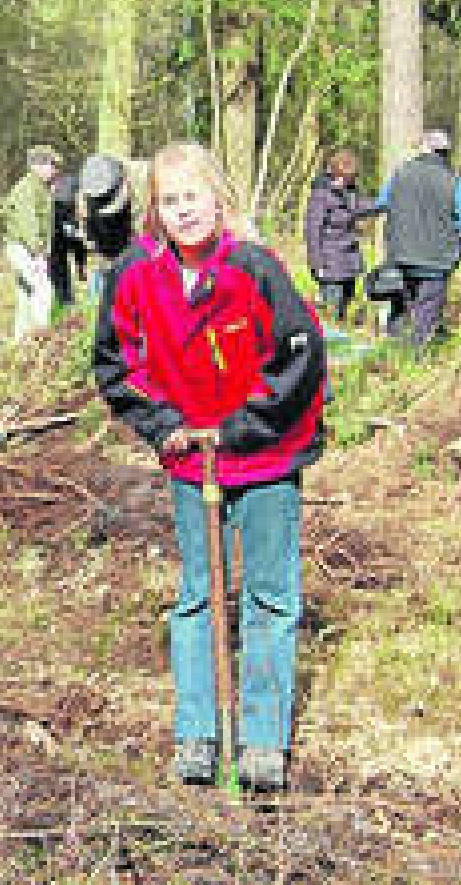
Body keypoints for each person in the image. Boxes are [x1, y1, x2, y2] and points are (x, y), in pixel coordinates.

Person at [92, 142, 327, 793]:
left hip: (266, 453)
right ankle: (197, 733)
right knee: (199, 594)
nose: (183, 211)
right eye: (170, 202)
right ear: (156, 212)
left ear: (217, 200)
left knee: (270, 597)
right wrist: (165, 427)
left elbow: (299, 361)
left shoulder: (255, 268)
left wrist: (242, 428)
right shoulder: (137, 273)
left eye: (193, 197)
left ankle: (262, 741)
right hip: (193, 460)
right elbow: (117, 366)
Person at [363, 129, 461, 349]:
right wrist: (456, 247)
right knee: (426, 314)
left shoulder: (400, 174)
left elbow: (380, 205)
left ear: (424, 148)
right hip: (437, 261)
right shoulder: (455, 182)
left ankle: (392, 355)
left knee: (399, 307)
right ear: (445, 152)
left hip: (400, 259)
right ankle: (416, 359)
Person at [0, 145, 63, 339]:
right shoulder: (27, 189)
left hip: (25, 248)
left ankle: (21, 339)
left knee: (26, 294)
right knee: (43, 288)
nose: (55, 170)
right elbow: (28, 223)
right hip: (23, 248)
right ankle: (41, 336)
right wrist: (38, 253)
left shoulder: (38, 188)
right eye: (52, 165)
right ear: (38, 165)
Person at [304, 149, 371, 324]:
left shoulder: (351, 191)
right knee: (332, 310)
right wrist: (317, 264)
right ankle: (330, 341)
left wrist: (385, 203)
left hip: (350, 260)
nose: (345, 181)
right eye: (342, 177)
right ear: (334, 173)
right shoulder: (321, 194)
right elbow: (312, 232)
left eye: (350, 178)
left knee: (345, 306)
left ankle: (341, 336)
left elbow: (362, 208)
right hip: (329, 262)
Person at [49, 165, 88, 310]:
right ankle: (63, 299)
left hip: (67, 222)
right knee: (57, 259)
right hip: (54, 227)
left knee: (64, 252)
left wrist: (81, 265)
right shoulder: (63, 201)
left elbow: (78, 242)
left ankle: (66, 300)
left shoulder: (81, 191)